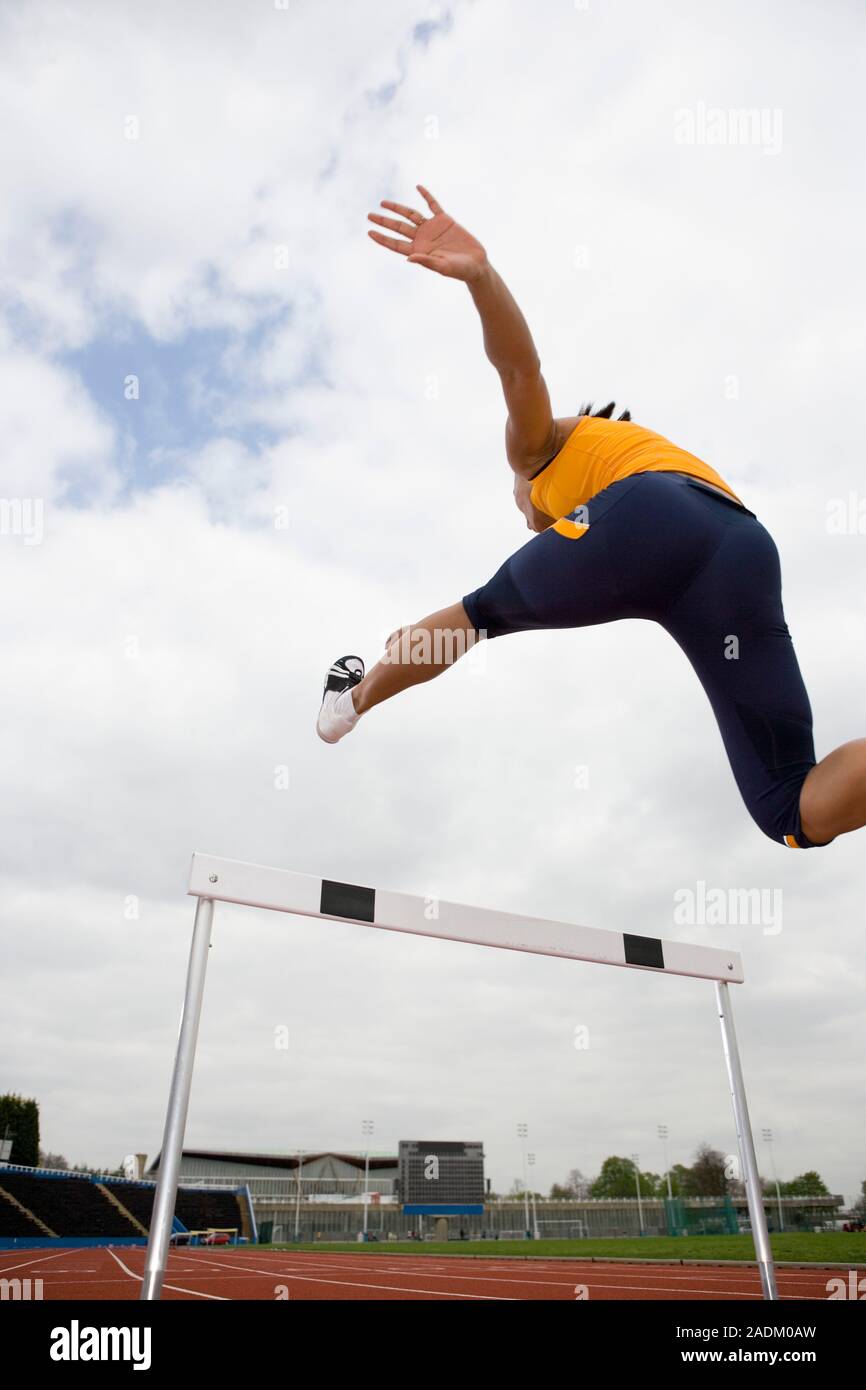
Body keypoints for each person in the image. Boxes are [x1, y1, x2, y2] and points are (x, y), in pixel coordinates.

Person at [317, 186, 866, 850]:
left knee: (473, 617)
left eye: (520, 501)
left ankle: (344, 703)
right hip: (741, 542)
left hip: (651, 517)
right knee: (790, 807)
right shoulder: (631, 453)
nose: (525, 514)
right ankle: (364, 686)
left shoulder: (540, 450)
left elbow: (519, 369)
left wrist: (483, 279)